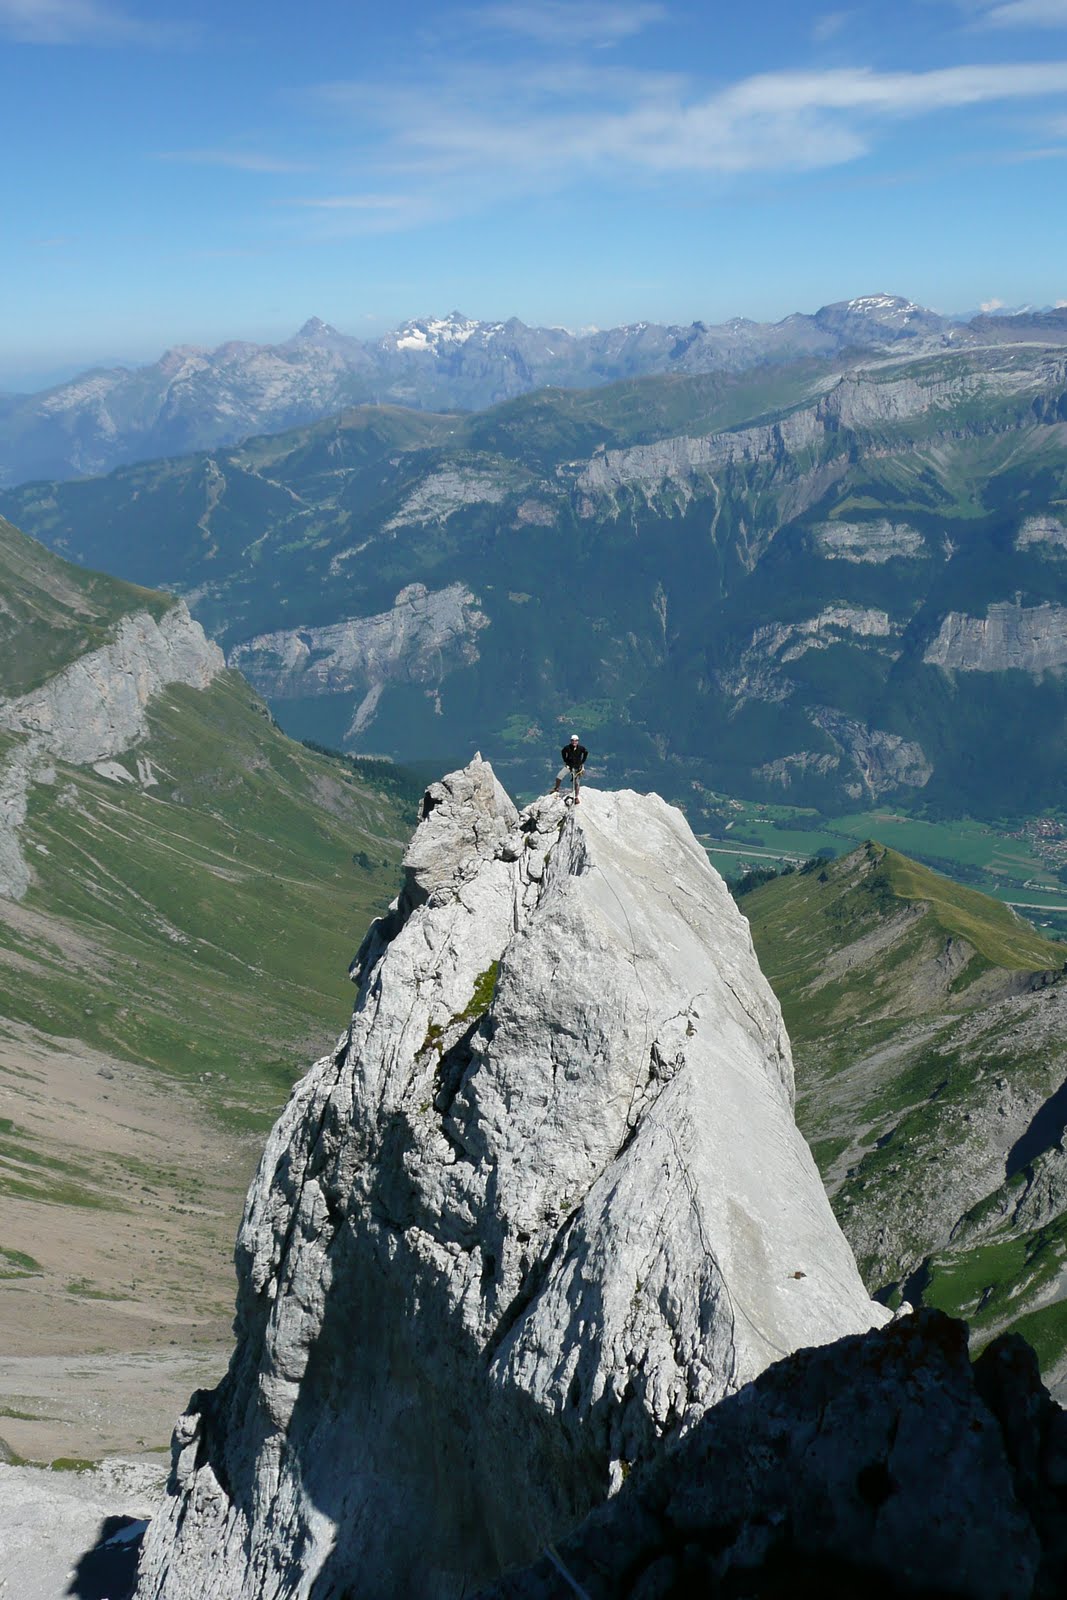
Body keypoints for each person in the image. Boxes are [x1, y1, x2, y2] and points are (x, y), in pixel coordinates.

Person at [552, 734, 589, 803]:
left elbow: (586, 752)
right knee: (559, 776)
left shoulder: (581, 748)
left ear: (578, 741)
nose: (574, 742)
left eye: (575, 741)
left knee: (577, 783)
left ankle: (576, 797)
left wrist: (582, 762)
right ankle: (556, 788)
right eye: (573, 741)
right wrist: (565, 760)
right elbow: (563, 752)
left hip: (577, 767)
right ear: (571, 741)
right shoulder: (567, 748)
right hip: (569, 766)